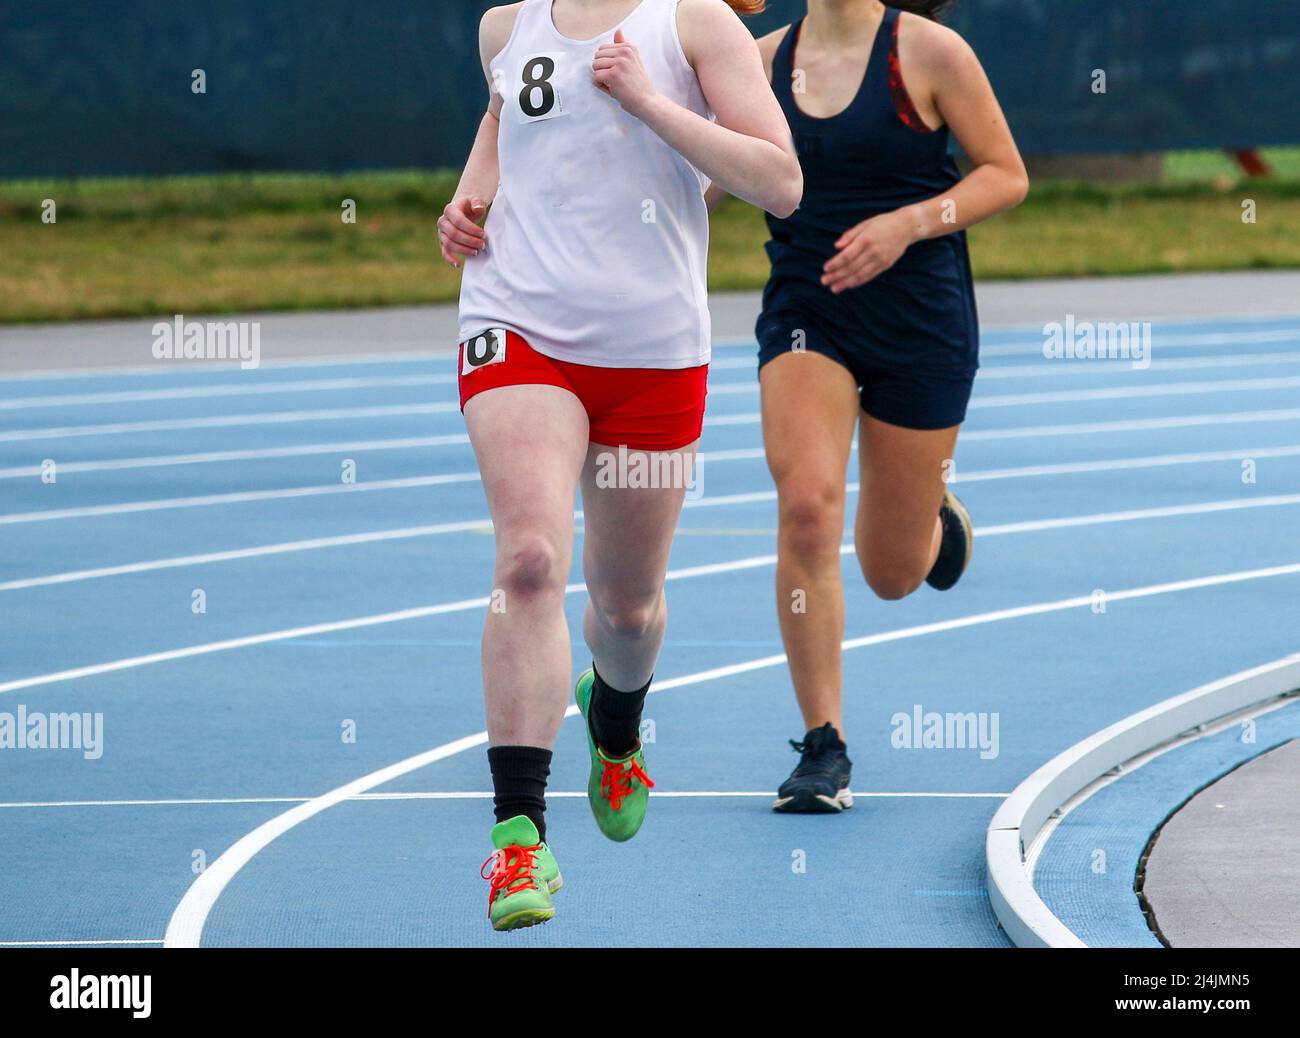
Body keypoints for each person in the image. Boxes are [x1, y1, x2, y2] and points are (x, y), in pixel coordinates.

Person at [441, 0, 802, 930]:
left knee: (627, 608)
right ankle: (517, 840)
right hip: (517, 324)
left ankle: (618, 720)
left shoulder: (696, 25)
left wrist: (650, 104)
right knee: (527, 559)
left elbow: (780, 180)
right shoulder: (504, 27)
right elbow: (500, 118)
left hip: (650, 352)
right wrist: (470, 198)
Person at [709, 0, 1027, 812]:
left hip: (921, 320)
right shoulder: (762, 59)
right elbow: (708, 175)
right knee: (807, 509)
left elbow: (1004, 173)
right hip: (809, 311)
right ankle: (824, 747)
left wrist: (906, 225)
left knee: (891, 573)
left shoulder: (927, 52)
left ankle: (935, 521)